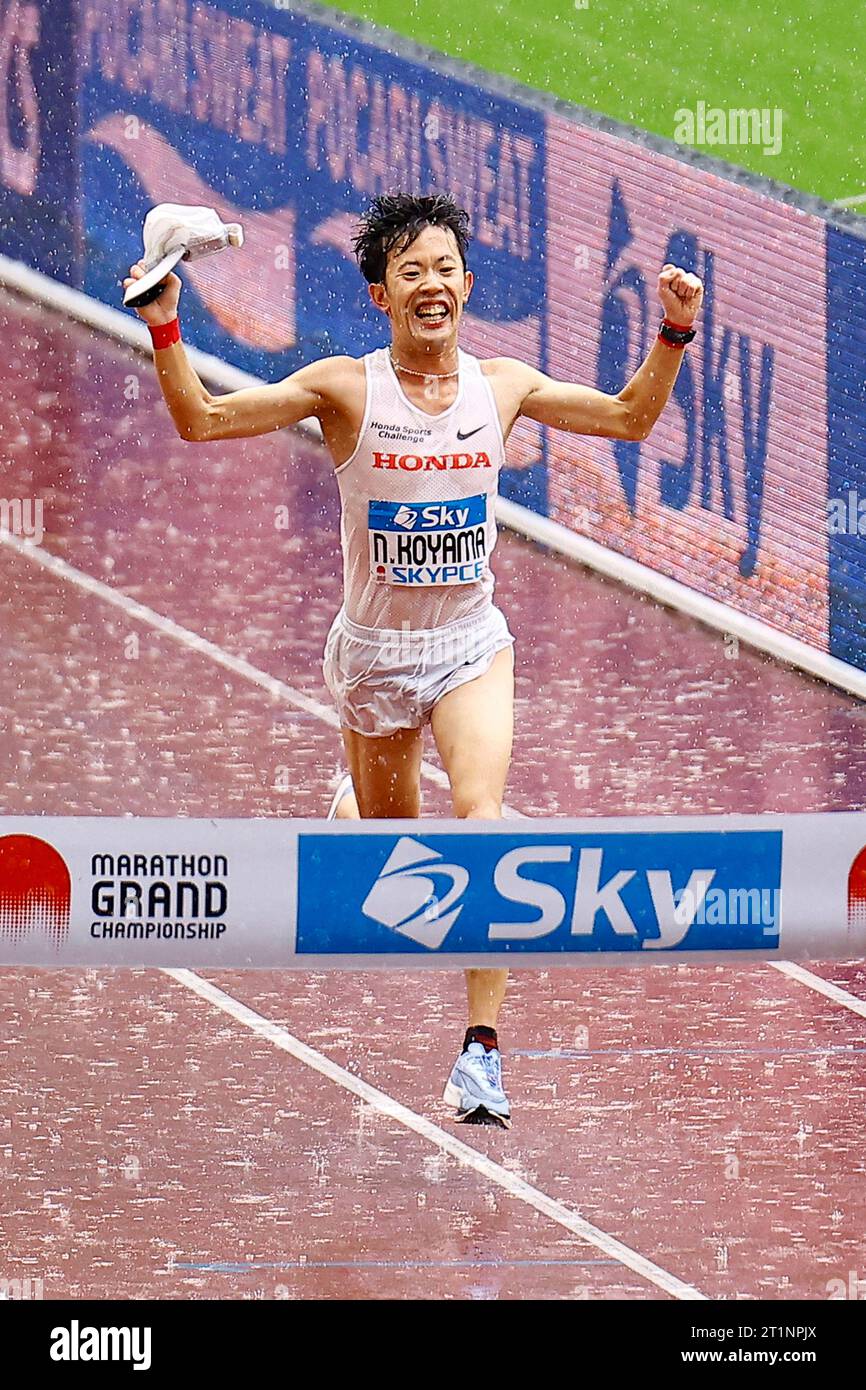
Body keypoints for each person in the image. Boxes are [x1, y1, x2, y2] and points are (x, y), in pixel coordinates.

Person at [124, 191, 703, 1129]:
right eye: (411, 274)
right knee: (403, 859)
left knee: (483, 826)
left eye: (445, 270)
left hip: (471, 646)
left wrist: (674, 330)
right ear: (379, 297)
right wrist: (163, 324)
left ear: (468, 287)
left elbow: (632, 419)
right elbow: (202, 420)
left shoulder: (503, 387)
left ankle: (482, 1055)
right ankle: (354, 803)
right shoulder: (344, 389)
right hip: (375, 662)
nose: (431, 286)